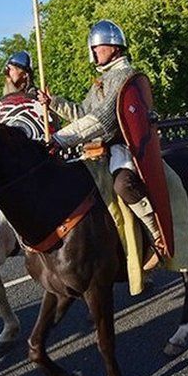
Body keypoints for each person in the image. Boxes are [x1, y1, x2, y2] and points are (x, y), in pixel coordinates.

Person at [38, 20, 167, 255]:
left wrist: (60, 139)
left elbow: (102, 120)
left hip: (125, 147)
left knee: (123, 184)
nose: (94, 52)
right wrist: (53, 102)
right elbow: (83, 113)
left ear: (114, 47)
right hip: (100, 152)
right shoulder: (105, 79)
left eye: (97, 47)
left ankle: (156, 235)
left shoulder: (126, 76)